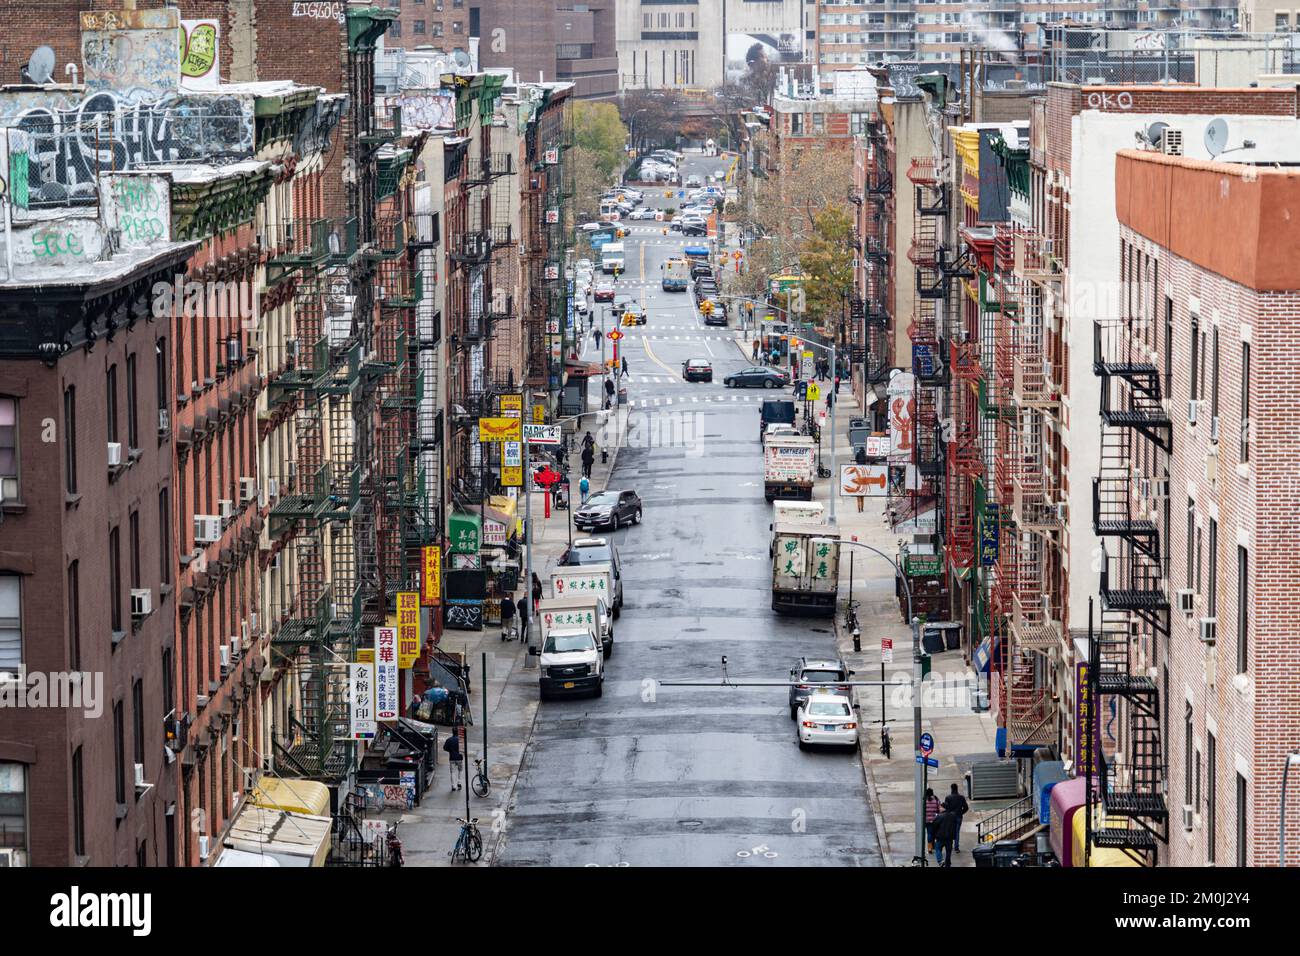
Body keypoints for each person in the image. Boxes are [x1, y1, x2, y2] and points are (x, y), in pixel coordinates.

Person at [943, 783, 970, 853]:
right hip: (958, 816)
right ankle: (956, 847)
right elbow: (966, 808)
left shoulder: (948, 797)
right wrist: (961, 812)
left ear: (951, 789)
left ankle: (950, 845)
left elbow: (946, 807)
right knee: (957, 832)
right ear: (957, 788)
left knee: (950, 831)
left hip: (950, 817)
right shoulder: (961, 797)